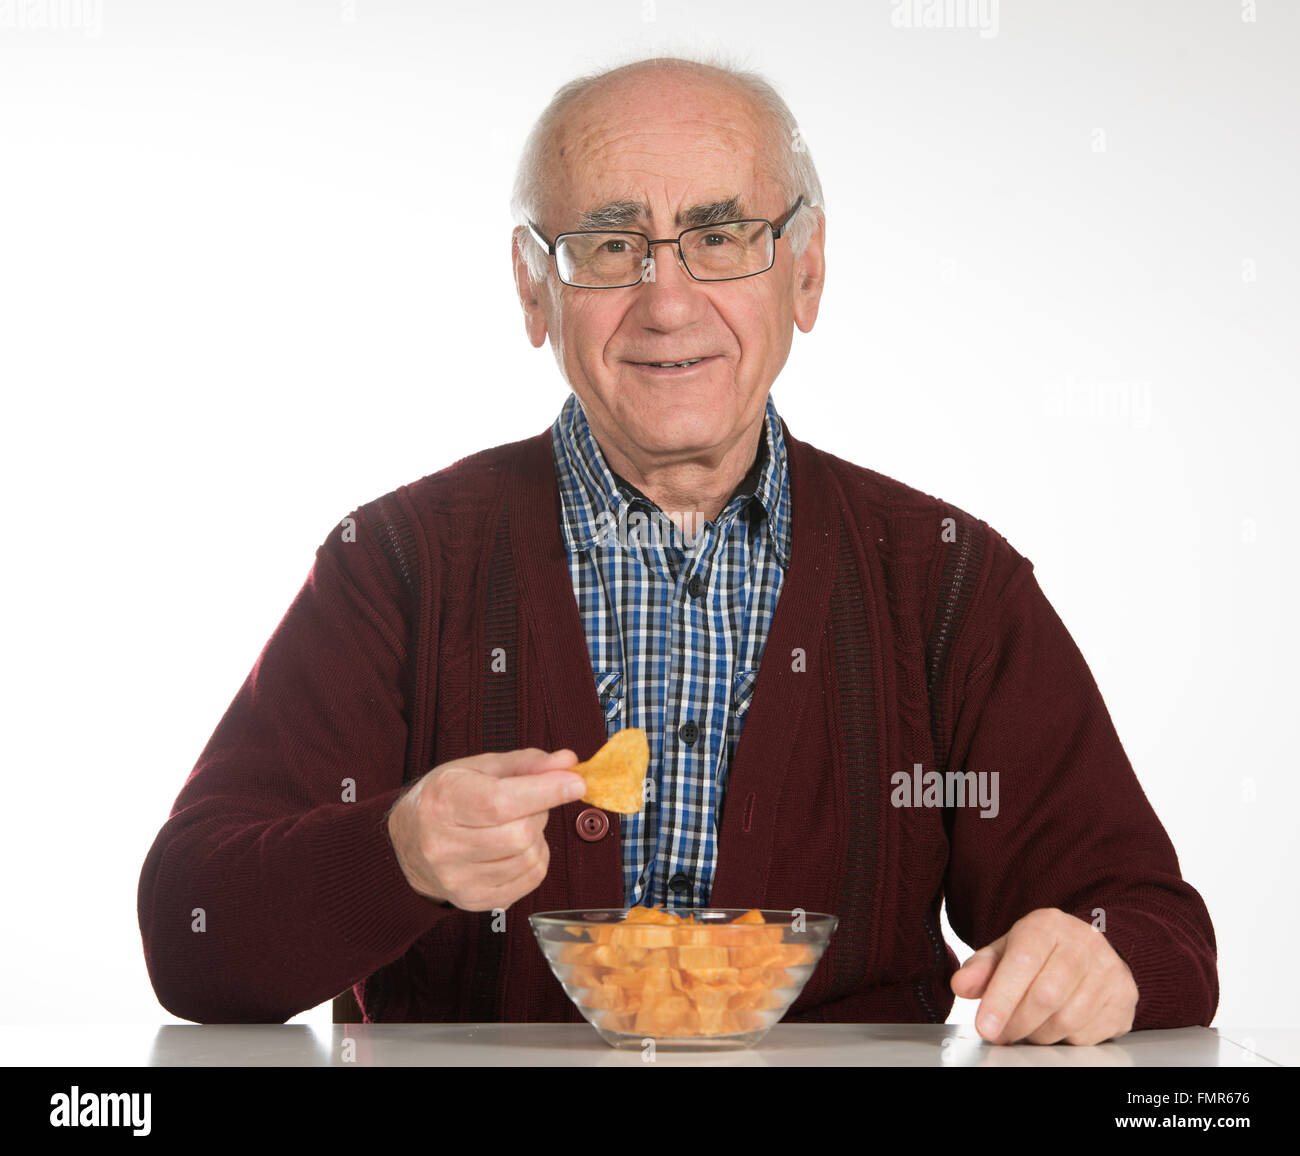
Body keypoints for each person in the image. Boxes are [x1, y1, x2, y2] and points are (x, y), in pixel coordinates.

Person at [138, 54, 1217, 1044]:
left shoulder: (944, 582)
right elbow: (192, 933)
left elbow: (1146, 922)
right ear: (531, 286)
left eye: (720, 235)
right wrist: (398, 852)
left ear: (805, 270)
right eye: (609, 244)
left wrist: (1100, 960)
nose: (666, 301)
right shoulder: (401, 565)